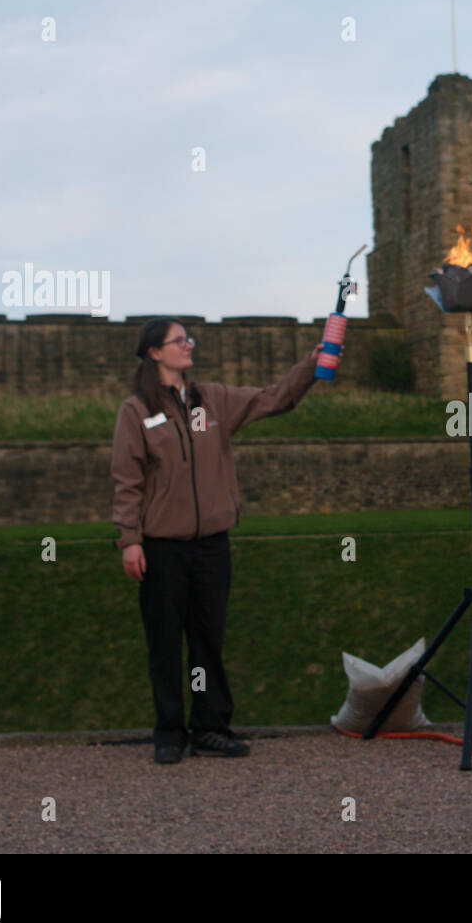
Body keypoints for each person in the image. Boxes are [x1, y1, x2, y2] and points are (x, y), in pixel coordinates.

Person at [109, 316, 339, 764]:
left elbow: (274, 399)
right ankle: (170, 731)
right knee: (164, 641)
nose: (188, 346)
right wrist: (129, 540)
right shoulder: (135, 411)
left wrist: (311, 365)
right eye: (179, 341)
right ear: (155, 352)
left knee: (206, 639)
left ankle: (211, 726)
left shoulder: (210, 400)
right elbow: (127, 481)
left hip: (212, 545)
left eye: (188, 339)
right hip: (161, 547)